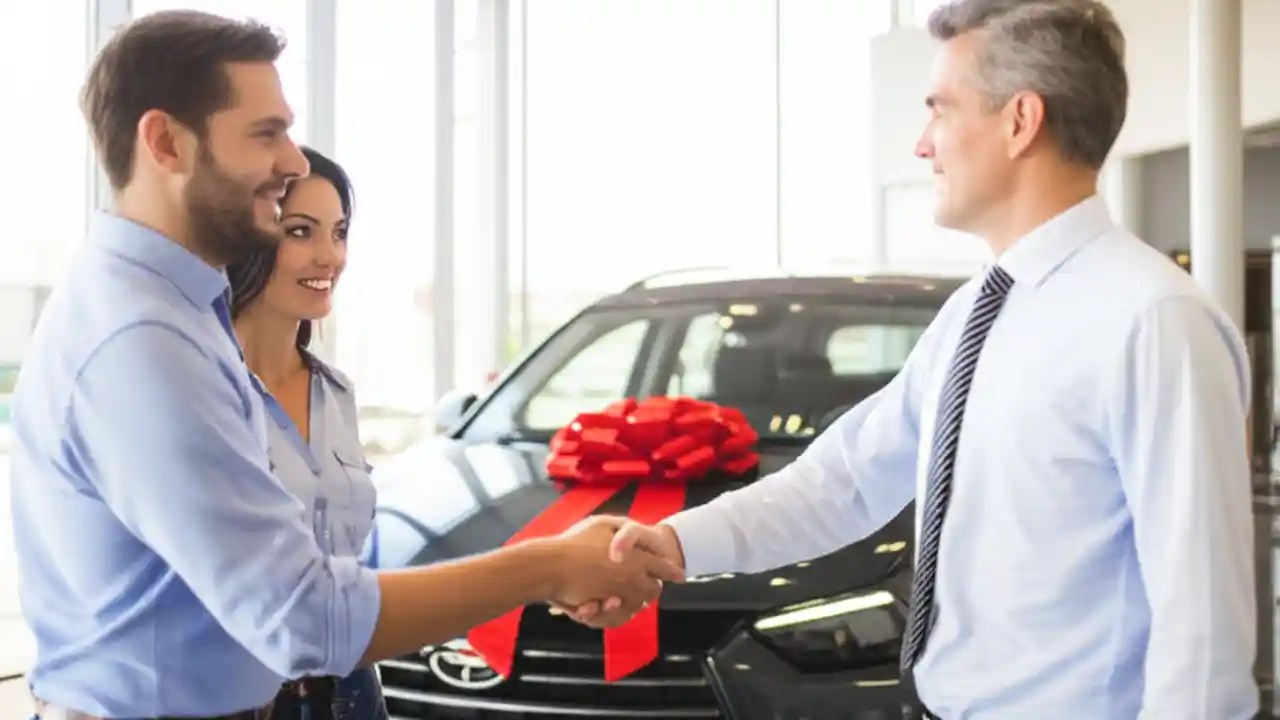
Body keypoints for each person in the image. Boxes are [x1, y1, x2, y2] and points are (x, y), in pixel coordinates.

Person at [568, 1, 1259, 718]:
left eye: (940, 109)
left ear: (1021, 121)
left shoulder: (1152, 321)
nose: (922, 144)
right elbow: (845, 481)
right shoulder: (980, 308)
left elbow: (1202, 633)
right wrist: (669, 544)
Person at [9, 10, 680, 719]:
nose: (293, 161)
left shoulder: (165, 309)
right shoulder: (142, 341)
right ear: (166, 143)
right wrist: (548, 565)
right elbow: (305, 619)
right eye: (265, 133)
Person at [226, 146, 385, 719]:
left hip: (350, 688)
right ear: (248, 238)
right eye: (301, 231)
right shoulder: (208, 392)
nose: (330, 256)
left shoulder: (335, 391)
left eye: (339, 232)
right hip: (246, 694)